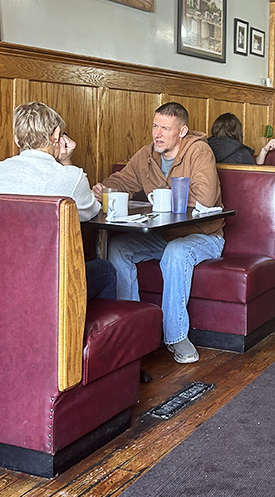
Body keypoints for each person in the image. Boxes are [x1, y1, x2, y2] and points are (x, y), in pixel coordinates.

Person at [93, 102, 224, 364]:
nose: (157, 134)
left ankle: (176, 337)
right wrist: (103, 189)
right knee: (118, 248)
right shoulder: (146, 155)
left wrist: (164, 198)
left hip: (205, 236)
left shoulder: (200, 152)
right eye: (155, 126)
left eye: (165, 128)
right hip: (164, 235)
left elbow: (207, 198)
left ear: (182, 131)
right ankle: (133, 328)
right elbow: (123, 181)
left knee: (177, 252)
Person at [0, 101, 116, 299]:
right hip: (47, 286)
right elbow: (90, 211)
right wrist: (66, 162)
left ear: (16, 139)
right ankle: (80, 330)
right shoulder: (70, 177)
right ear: (56, 135)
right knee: (106, 270)